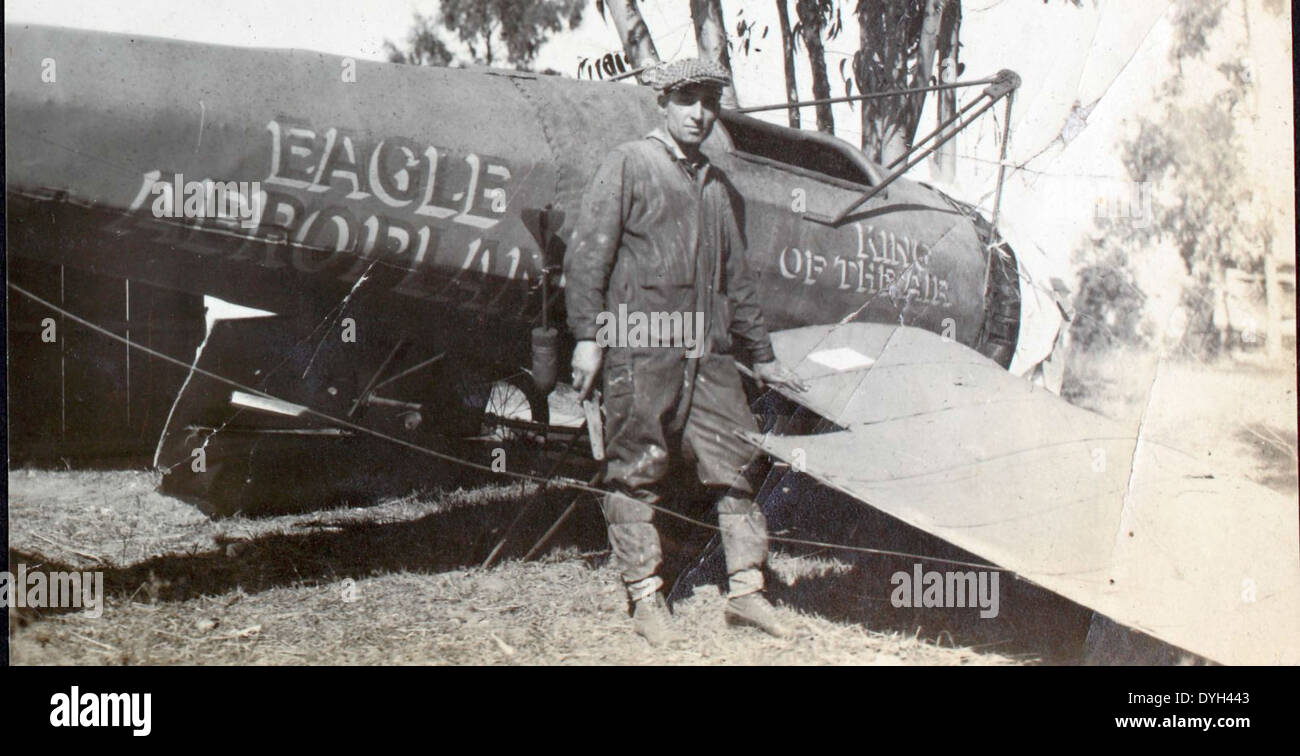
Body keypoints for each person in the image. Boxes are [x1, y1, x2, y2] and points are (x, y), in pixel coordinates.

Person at [564, 58, 807, 646]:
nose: (699, 113)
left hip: (709, 350)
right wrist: (588, 340)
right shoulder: (630, 165)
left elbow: (739, 282)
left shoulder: (717, 187)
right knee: (636, 468)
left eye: (709, 101)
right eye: (686, 100)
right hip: (641, 345)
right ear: (663, 103)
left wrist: (764, 355)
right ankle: (646, 598)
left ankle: (747, 594)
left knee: (737, 463)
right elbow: (587, 257)